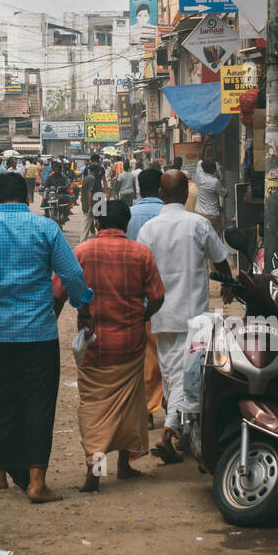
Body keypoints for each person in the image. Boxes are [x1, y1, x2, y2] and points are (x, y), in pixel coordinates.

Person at [0, 170, 93, 504]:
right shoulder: (46, 228)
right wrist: (81, 302)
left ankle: (0, 474)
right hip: (38, 336)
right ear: (28, 198)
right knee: (37, 404)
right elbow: (72, 275)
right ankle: (36, 483)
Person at [54, 199, 165, 492]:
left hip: (94, 347)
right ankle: (124, 467)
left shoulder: (80, 253)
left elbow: (57, 293)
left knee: (94, 409)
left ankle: (96, 469)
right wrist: (141, 317)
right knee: (130, 408)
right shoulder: (141, 253)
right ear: (126, 224)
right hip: (130, 345)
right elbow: (156, 297)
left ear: (99, 224)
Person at [138, 170, 234, 464]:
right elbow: (220, 259)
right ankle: (170, 433)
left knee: (172, 374)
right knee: (185, 375)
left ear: (161, 194)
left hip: (162, 313)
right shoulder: (198, 224)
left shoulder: (149, 229)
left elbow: (140, 269)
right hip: (193, 315)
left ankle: (178, 431)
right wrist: (228, 283)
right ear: (184, 194)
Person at [126, 167, 165, 420]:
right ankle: (171, 412)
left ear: (139, 188)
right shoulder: (171, 215)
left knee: (142, 356)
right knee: (170, 356)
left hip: (138, 297)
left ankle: (147, 411)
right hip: (171, 296)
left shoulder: (127, 214)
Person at [195, 157, 227, 236]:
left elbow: (199, 162)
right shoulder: (215, 182)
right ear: (214, 168)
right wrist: (219, 179)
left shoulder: (199, 176)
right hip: (212, 216)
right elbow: (225, 194)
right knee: (215, 240)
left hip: (199, 214)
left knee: (201, 239)